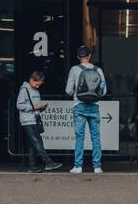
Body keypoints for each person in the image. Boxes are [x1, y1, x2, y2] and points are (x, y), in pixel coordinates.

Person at [66, 46, 108, 174]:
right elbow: (104, 91)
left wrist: (76, 94)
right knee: (95, 137)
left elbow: (68, 90)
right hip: (94, 106)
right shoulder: (98, 70)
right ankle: (97, 167)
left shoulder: (74, 69)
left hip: (79, 106)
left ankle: (78, 166)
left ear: (78, 57)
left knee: (80, 137)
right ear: (89, 56)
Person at [16, 70, 62, 173]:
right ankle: (48, 162)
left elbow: (35, 106)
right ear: (32, 80)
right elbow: (19, 105)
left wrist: (41, 108)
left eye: (39, 84)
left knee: (34, 143)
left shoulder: (36, 90)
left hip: (35, 119)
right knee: (37, 142)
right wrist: (34, 107)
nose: (38, 86)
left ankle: (32, 166)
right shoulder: (24, 90)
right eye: (37, 84)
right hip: (27, 120)